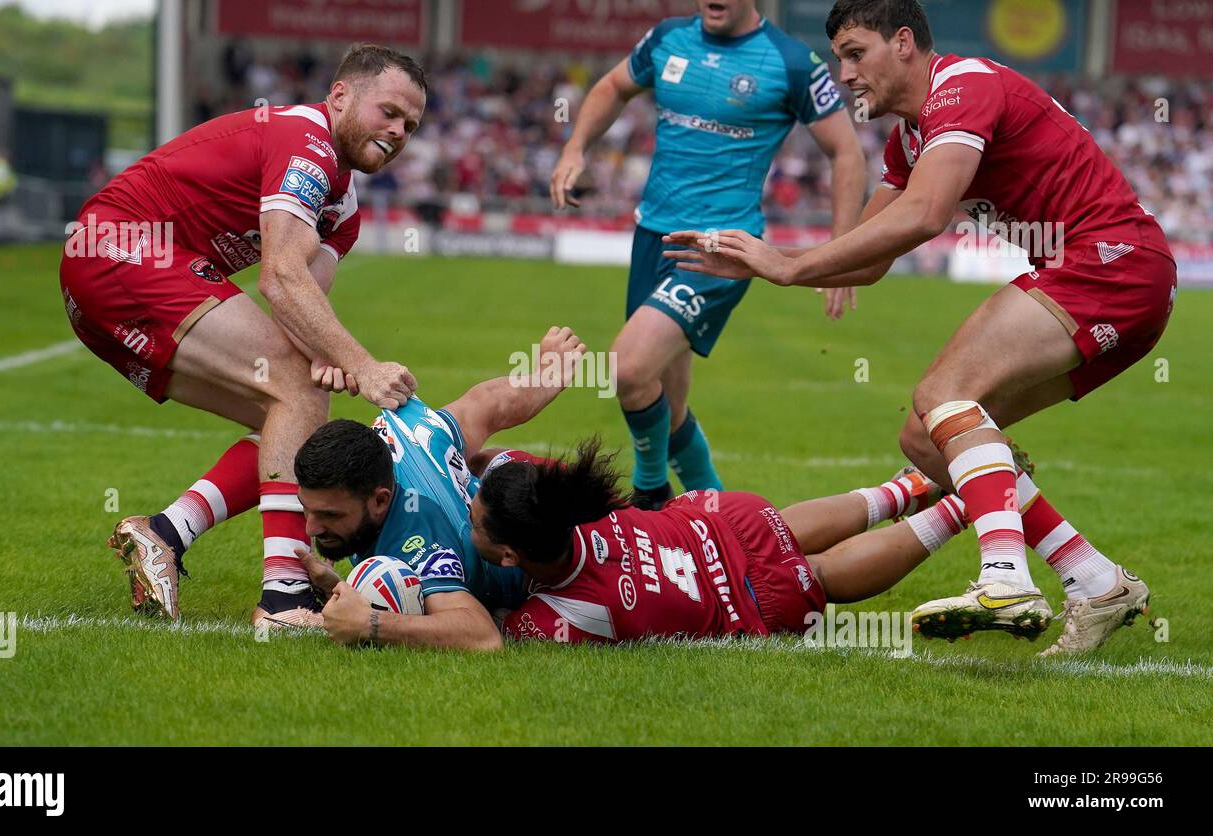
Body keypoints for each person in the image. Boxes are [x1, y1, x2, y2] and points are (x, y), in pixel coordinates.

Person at [662, 0, 1165, 654]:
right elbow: (869, 261)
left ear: (904, 42)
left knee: (941, 395)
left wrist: (786, 269)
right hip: (1110, 279)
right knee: (927, 437)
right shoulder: (909, 139)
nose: (844, 74)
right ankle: (1096, 582)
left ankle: (1006, 579)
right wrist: (764, 264)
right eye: (838, 58)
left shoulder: (964, 86)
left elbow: (927, 214)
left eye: (854, 52)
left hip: (1109, 264)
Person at [69, 45, 424, 625]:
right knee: (297, 389)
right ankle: (284, 598)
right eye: (388, 111)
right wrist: (362, 364)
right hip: (120, 249)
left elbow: (303, 308)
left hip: (116, 278)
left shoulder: (346, 211)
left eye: (410, 124)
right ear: (339, 97)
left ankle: (164, 532)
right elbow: (280, 278)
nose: (398, 130)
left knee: (296, 412)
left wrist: (326, 355)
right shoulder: (306, 141)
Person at [550, 0, 866, 510]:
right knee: (667, 408)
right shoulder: (667, 38)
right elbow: (612, 86)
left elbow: (846, 152)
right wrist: (575, 147)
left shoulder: (790, 62)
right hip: (651, 237)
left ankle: (650, 494)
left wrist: (841, 252)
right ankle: (722, 524)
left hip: (721, 250)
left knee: (629, 369)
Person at [472, 437, 964, 644]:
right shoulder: (560, 496)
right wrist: (470, 463)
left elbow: (484, 630)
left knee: (818, 575)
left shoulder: (555, 618)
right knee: (782, 529)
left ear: (511, 555)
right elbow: (498, 459)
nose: (468, 520)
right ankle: (910, 488)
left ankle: (961, 509)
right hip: (722, 519)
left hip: (747, 601)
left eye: (474, 523)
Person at [292, 326, 587, 648]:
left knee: (496, 461)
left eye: (330, 515)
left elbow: (482, 636)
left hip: (550, 566)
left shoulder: (418, 544)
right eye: (306, 508)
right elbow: (486, 404)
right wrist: (546, 376)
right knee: (484, 461)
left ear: (380, 500)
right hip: (521, 504)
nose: (311, 527)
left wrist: (370, 623)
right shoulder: (406, 428)